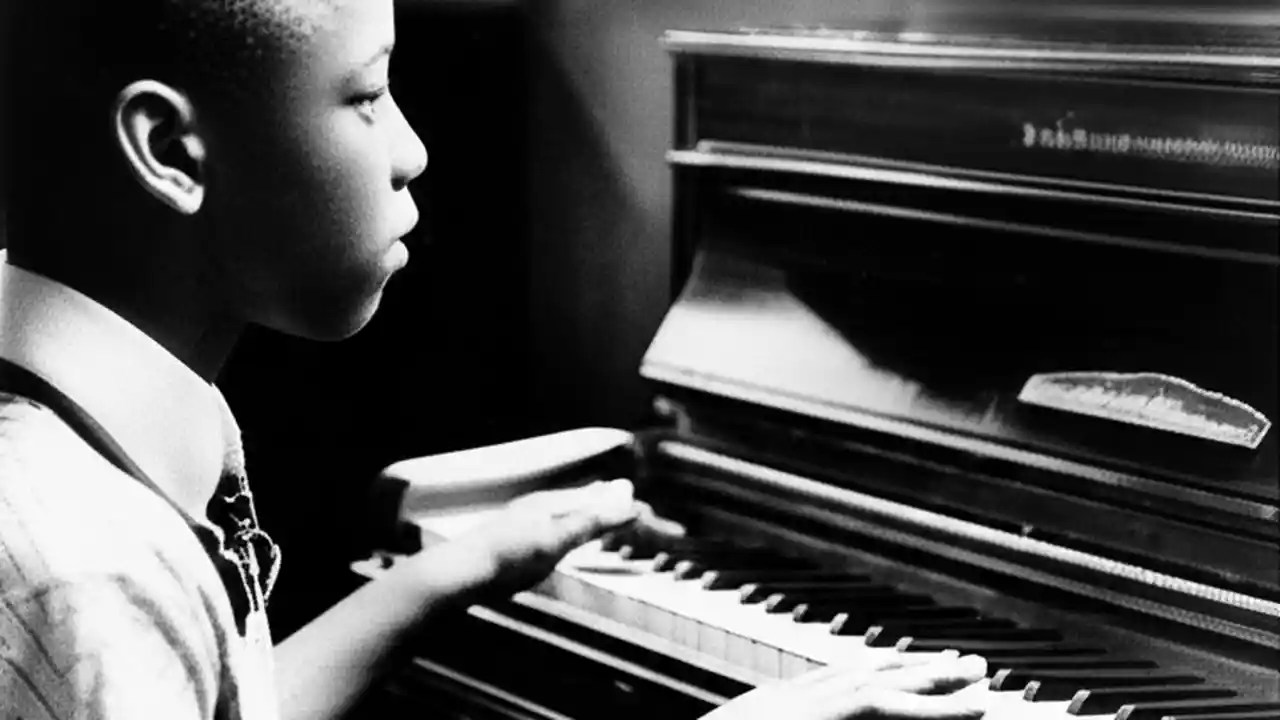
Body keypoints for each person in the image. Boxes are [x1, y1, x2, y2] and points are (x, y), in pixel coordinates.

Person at [0, 1, 991, 718]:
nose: (414, 150)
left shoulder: (80, 463)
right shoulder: (81, 569)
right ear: (171, 149)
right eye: (369, 95)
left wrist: (454, 573)